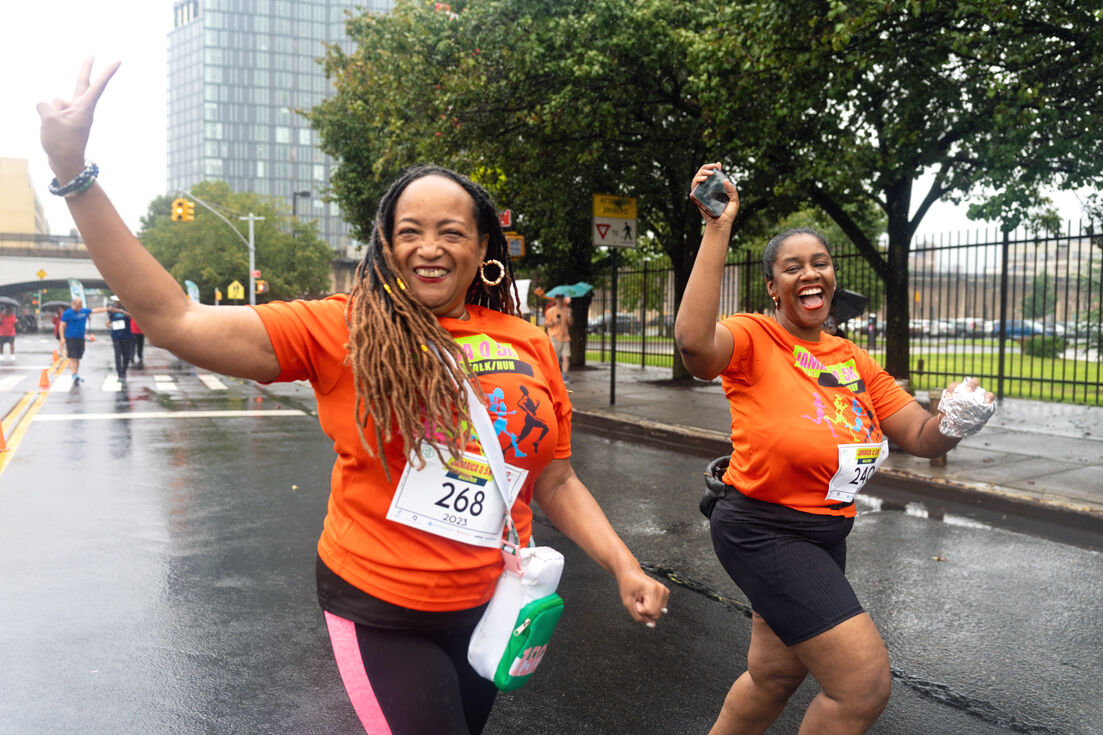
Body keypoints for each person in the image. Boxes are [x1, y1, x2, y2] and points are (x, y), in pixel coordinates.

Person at [38, 60, 669, 735]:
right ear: (385, 246)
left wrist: (622, 563)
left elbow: (553, 476)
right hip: (381, 608)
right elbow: (176, 319)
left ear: (483, 245)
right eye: (408, 231)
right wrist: (76, 175)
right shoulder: (341, 326)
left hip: (490, 605)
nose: (429, 248)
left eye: (451, 231)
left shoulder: (526, 340)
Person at [675, 162, 996, 735]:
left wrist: (955, 422)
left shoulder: (852, 359)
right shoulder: (754, 337)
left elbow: (921, 437)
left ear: (832, 276)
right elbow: (695, 346)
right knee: (861, 686)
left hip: (824, 534)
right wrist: (717, 229)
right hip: (764, 528)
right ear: (773, 287)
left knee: (773, 675)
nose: (809, 274)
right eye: (791, 268)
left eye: (819, 263)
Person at [60, 296, 106, 383]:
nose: (79, 307)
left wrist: (108, 309)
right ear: (73, 304)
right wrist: (62, 338)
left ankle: (76, 374)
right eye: (77, 305)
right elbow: (61, 325)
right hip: (70, 337)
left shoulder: (84, 311)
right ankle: (74, 374)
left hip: (80, 338)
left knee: (77, 357)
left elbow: (95, 310)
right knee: (72, 356)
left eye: (80, 305)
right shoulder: (67, 313)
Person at [544, 294, 572, 382]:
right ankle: (554, 376)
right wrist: (554, 322)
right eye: (558, 299)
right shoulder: (551, 311)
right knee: (554, 358)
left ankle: (564, 375)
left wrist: (570, 314)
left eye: (561, 298)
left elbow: (570, 323)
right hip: (555, 337)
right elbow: (547, 324)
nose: (560, 300)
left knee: (566, 357)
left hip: (565, 337)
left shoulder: (566, 310)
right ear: (555, 300)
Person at [106, 296, 134, 381]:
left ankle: (124, 370)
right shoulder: (112, 311)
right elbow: (110, 320)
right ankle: (120, 374)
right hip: (116, 335)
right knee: (117, 355)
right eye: (115, 301)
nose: (116, 303)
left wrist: (121, 311)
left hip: (126, 335)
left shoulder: (127, 308)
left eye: (117, 301)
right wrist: (108, 323)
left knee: (126, 355)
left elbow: (131, 316)